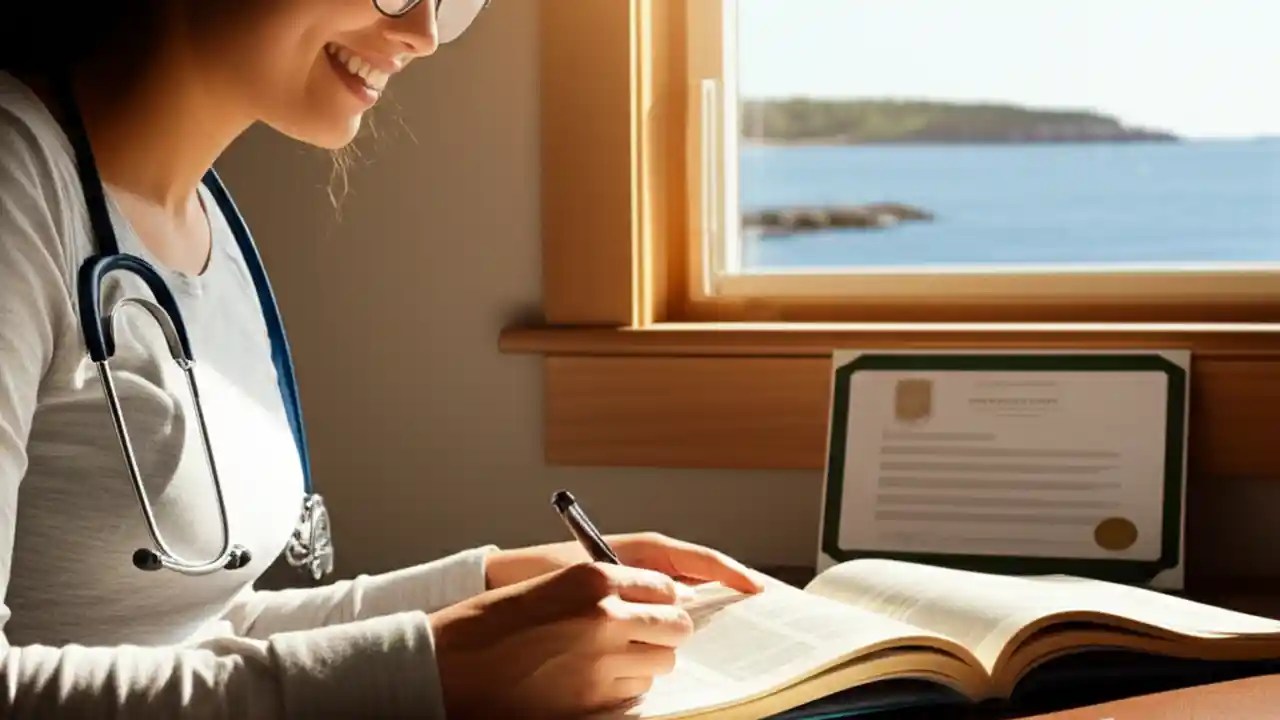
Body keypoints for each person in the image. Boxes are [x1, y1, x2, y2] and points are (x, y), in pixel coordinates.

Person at [0, 2, 765, 718]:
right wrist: (435, 666)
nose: (426, 33)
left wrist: (491, 584)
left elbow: (191, 626)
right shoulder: (16, 183)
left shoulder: (206, 221)